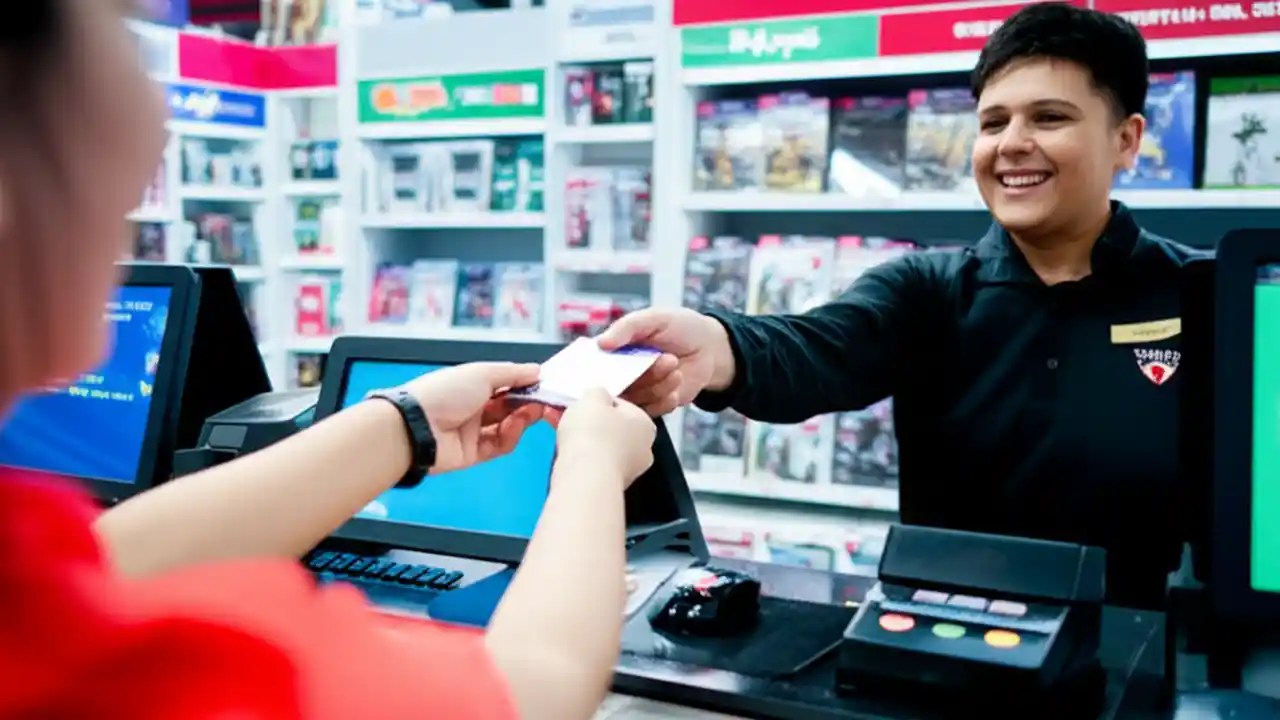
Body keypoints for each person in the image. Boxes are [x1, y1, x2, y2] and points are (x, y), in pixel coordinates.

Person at [0, 3, 655, 719]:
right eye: (125, 35)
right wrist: (591, 466)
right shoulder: (141, 669)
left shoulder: (25, 566)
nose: (155, 111)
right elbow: (532, 688)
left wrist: (401, 425)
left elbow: (103, 561)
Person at [603, 4, 1209, 608]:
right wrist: (717, 346)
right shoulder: (926, 288)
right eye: (993, 123)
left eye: (1049, 118)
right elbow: (816, 349)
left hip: (1133, 650)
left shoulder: (1203, 292)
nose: (1013, 145)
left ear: (1126, 140)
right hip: (937, 639)